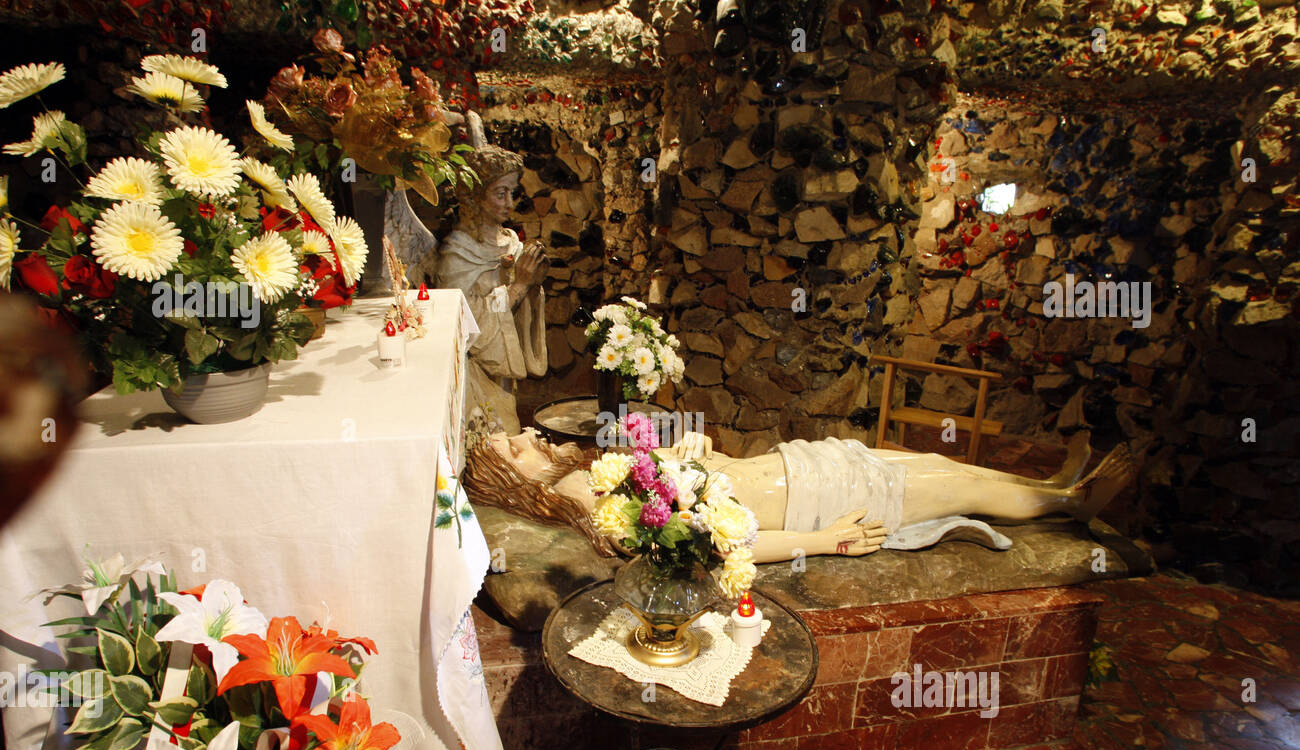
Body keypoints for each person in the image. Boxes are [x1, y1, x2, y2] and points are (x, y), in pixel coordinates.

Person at [463, 427, 1134, 563]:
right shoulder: (588, 496)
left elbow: (681, 484)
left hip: (798, 467)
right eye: (514, 449)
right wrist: (820, 541)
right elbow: (715, 543)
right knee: (951, 484)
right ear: (516, 482)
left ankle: (1047, 486)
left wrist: (688, 450)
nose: (528, 435)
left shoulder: (593, 474)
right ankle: (1071, 503)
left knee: (934, 462)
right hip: (809, 496)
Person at [436, 145, 548, 435]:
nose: (509, 202)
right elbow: (467, 328)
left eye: (513, 192)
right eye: (500, 193)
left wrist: (533, 284)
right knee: (492, 446)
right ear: (476, 197)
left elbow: (518, 309)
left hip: (504, 376)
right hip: (472, 376)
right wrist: (519, 285)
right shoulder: (458, 255)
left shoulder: (509, 240)